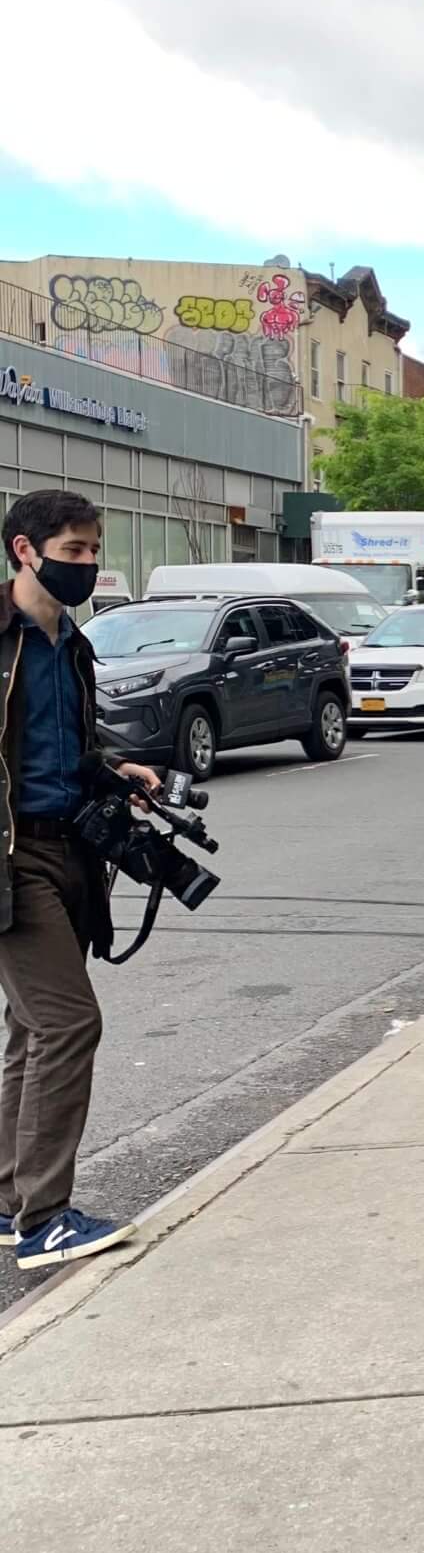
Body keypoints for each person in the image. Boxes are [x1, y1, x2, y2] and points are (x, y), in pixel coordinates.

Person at [0, 491, 164, 1274]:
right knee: (67, 1023)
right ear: (25, 552)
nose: (89, 565)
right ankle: (45, 1220)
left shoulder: (71, 642)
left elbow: (63, 741)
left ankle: (6, 1201)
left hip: (71, 850)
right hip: (11, 857)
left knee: (33, 1030)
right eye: (73, 552)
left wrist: (115, 768)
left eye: (94, 550)